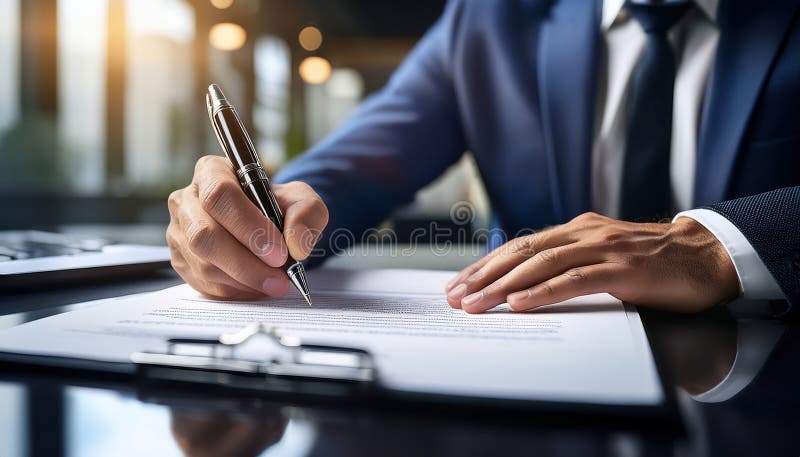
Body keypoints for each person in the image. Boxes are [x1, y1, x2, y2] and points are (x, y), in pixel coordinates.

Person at [167, 0, 799, 314]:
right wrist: (257, 217)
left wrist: (721, 244)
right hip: (532, 394)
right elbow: (355, 167)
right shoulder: (492, 18)